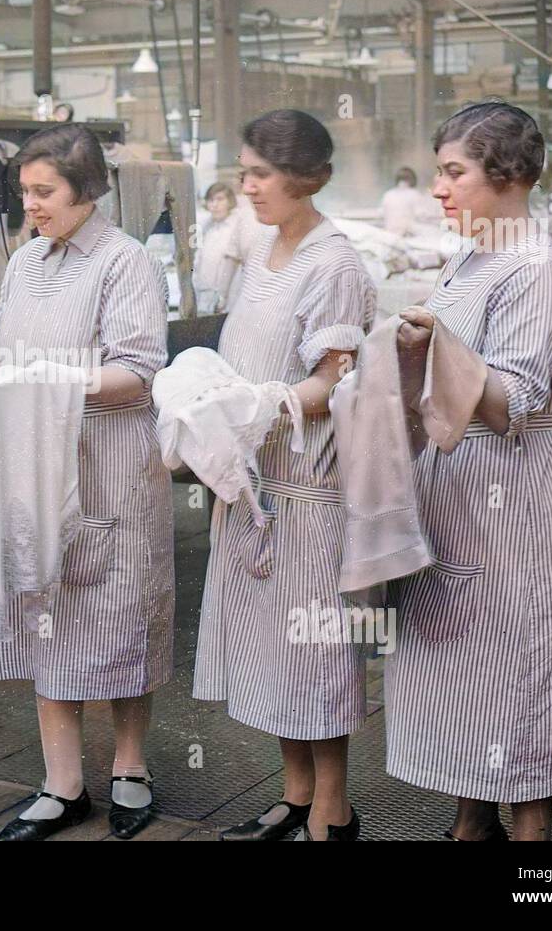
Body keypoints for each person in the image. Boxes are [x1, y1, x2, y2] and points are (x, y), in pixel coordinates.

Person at [389, 102, 552, 841]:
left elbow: (511, 401)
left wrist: (432, 341)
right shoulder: (471, 258)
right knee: (467, 680)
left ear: (507, 175)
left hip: (518, 501)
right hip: (462, 495)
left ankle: (530, 838)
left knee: (522, 669)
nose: (438, 190)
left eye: (454, 173)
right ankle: (468, 826)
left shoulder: (537, 270)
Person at [0, 123, 175, 841]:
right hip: (38, 468)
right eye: (25, 191)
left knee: (121, 614)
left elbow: (140, 369)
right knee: (46, 614)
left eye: (45, 191)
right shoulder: (26, 262)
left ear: (87, 191)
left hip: (111, 467)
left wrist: (54, 382)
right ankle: (63, 784)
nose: (31, 204)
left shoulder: (124, 263)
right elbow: (4, 352)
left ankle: (129, 767)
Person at [193, 109, 377, 842]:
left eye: (260, 175)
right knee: (268, 649)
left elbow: (334, 378)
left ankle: (333, 811)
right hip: (253, 480)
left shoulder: (334, 263)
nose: (247, 188)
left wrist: (255, 409)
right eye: (243, 173)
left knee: (312, 649)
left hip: (308, 486)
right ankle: (295, 796)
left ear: (306, 180)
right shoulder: (266, 249)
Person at [193, 182, 256, 314]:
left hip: (232, 297)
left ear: (230, 201)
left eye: (220, 199)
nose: (215, 205)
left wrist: (223, 297)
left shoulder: (238, 226)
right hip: (205, 297)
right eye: (211, 200)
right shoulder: (204, 227)